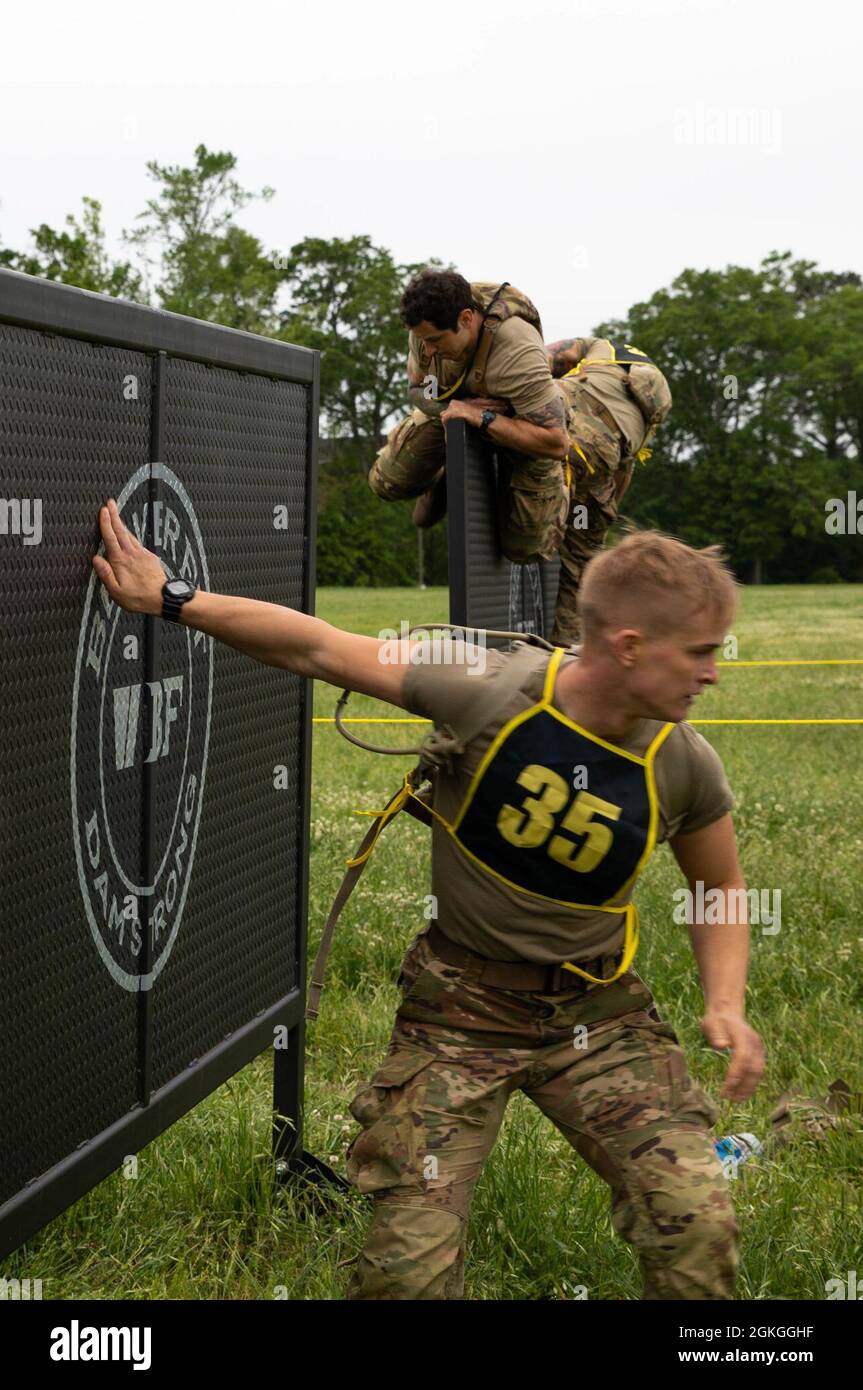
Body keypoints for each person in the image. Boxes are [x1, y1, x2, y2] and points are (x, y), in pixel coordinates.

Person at [91, 502, 765, 1302]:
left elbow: (717, 885)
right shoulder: (487, 688)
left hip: (601, 1021)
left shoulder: (683, 763)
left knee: (695, 1222)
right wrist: (172, 599)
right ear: (628, 646)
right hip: (459, 1016)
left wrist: (726, 1003)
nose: (713, 671)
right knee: (403, 1278)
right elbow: (321, 648)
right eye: (699, 653)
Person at [369, 269, 571, 566]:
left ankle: (564, 491)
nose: (428, 350)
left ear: (466, 319)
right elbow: (416, 388)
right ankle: (452, 463)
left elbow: (556, 443)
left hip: (525, 427)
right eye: (422, 340)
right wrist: (456, 409)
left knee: (523, 551)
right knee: (384, 483)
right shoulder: (424, 331)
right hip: (456, 409)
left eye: (435, 340)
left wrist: (484, 418)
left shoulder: (517, 350)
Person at [544, 336, 673, 647]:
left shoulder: (594, 348)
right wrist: (603, 513)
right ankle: (566, 658)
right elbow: (623, 468)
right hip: (604, 468)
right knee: (579, 572)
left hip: (575, 440)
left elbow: (537, 363)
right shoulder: (643, 413)